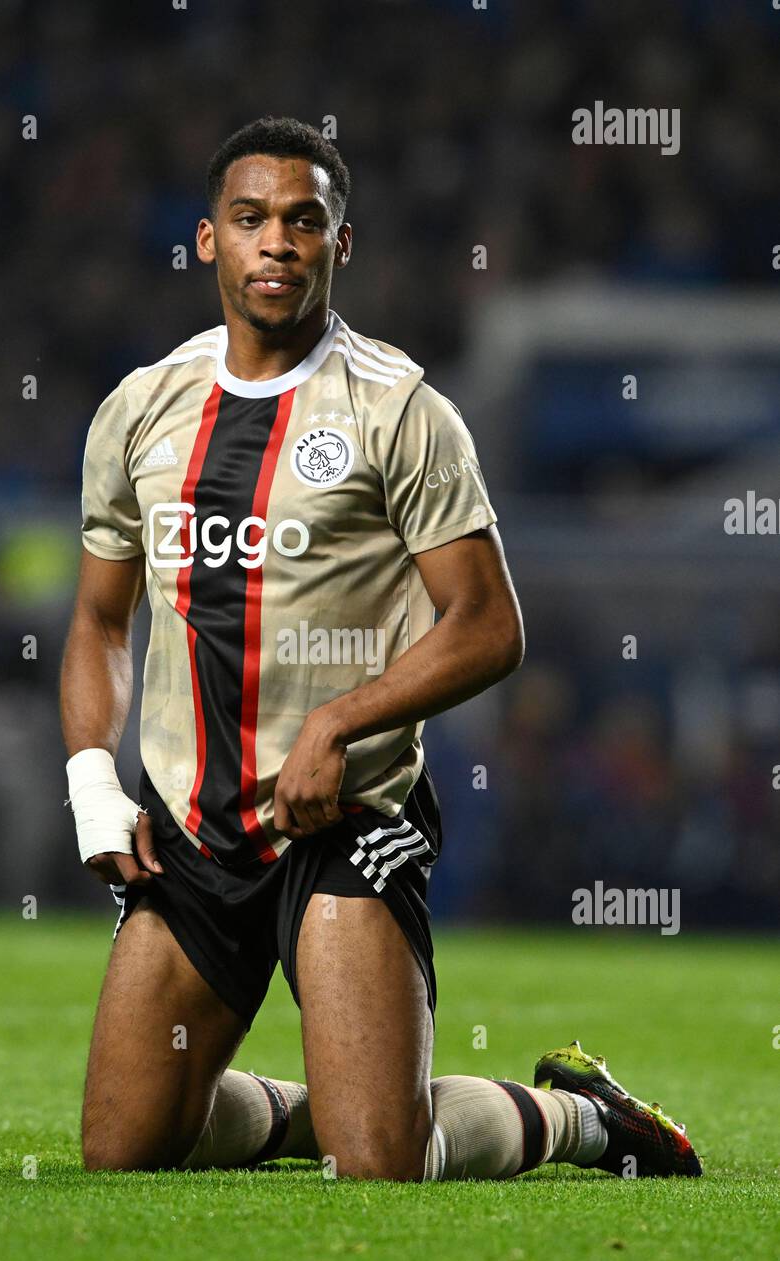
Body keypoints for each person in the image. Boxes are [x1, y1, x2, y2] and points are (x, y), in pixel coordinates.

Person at [60, 117, 701, 1183]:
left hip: (347, 815)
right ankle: (351, 1089)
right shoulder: (140, 409)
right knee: (123, 1149)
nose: (277, 242)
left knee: (382, 1164)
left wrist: (340, 720)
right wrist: (92, 775)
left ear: (338, 245)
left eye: (303, 222)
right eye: (250, 218)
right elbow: (96, 620)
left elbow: (489, 627)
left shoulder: (401, 410)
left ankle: (578, 1115)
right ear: (207, 240)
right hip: (193, 828)